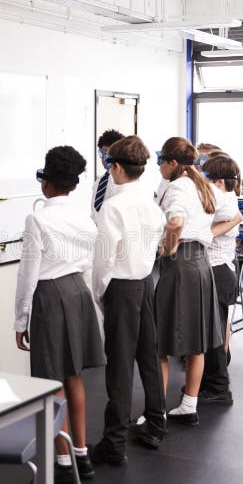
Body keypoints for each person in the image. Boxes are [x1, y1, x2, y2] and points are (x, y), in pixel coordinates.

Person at [14, 146, 105, 484]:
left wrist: (20, 320)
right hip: (78, 293)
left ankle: (63, 463)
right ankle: (81, 453)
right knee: (74, 376)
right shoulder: (84, 218)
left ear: (45, 183)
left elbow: (28, 274)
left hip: (50, 296)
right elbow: (88, 263)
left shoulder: (38, 219)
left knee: (52, 383)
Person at [90, 136, 166, 466]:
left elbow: (104, 259)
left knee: (119, 365)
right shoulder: (151, 204)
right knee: (148, 356)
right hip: (146, 283)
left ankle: (115, 441)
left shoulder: (114, 206)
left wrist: (99, 292)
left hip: (121, 287)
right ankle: (156, 422)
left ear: (117, 168)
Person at [155, 137, 222, 426]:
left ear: (172, 163)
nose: (157, 166)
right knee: (196, 342)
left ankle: (155, 411)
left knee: (158, 344)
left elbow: (175, 222)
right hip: (200, 264)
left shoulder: (178, 186)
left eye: (160, 160)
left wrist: (168, 247)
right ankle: (188, 406)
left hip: (180, 262)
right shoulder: (201, 184)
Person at [199, 155, 243, 405]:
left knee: (214, 334)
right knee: (211, 332)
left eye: (205, 177)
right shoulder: (224, 199)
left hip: (218, 272)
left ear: (217, 181)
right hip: (217, 271)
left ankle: (219, 388)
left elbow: (200, 226)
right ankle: (209, 383)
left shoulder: (222, 200)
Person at [91, 129, 124, 220]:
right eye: (102, 153)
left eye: (109, 153)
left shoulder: (121, 181)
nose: (104, 158)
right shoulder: (99, 182)